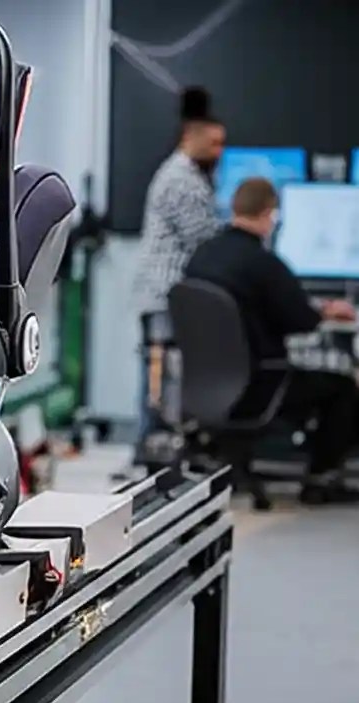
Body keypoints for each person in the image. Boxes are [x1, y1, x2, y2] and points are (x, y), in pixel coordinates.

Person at [183, 178, 359, 505]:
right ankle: (320, 480)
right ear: (270, 215)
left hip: (202, 385)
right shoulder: (264, 264)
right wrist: (327, 310)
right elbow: (300, 320)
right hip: (259, 385)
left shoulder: (201, 255)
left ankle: (231, 459)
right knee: (341, 387)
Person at [131, 87, 226, 449]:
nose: (220, 152)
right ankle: (151, 448)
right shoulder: (180, 180)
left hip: (169, 294)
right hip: (163, 294)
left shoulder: (190, 176)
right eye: (214, 143)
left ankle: (155, 445)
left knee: (163, 373)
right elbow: (203, 238)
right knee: (161, 375)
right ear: (191, 136)